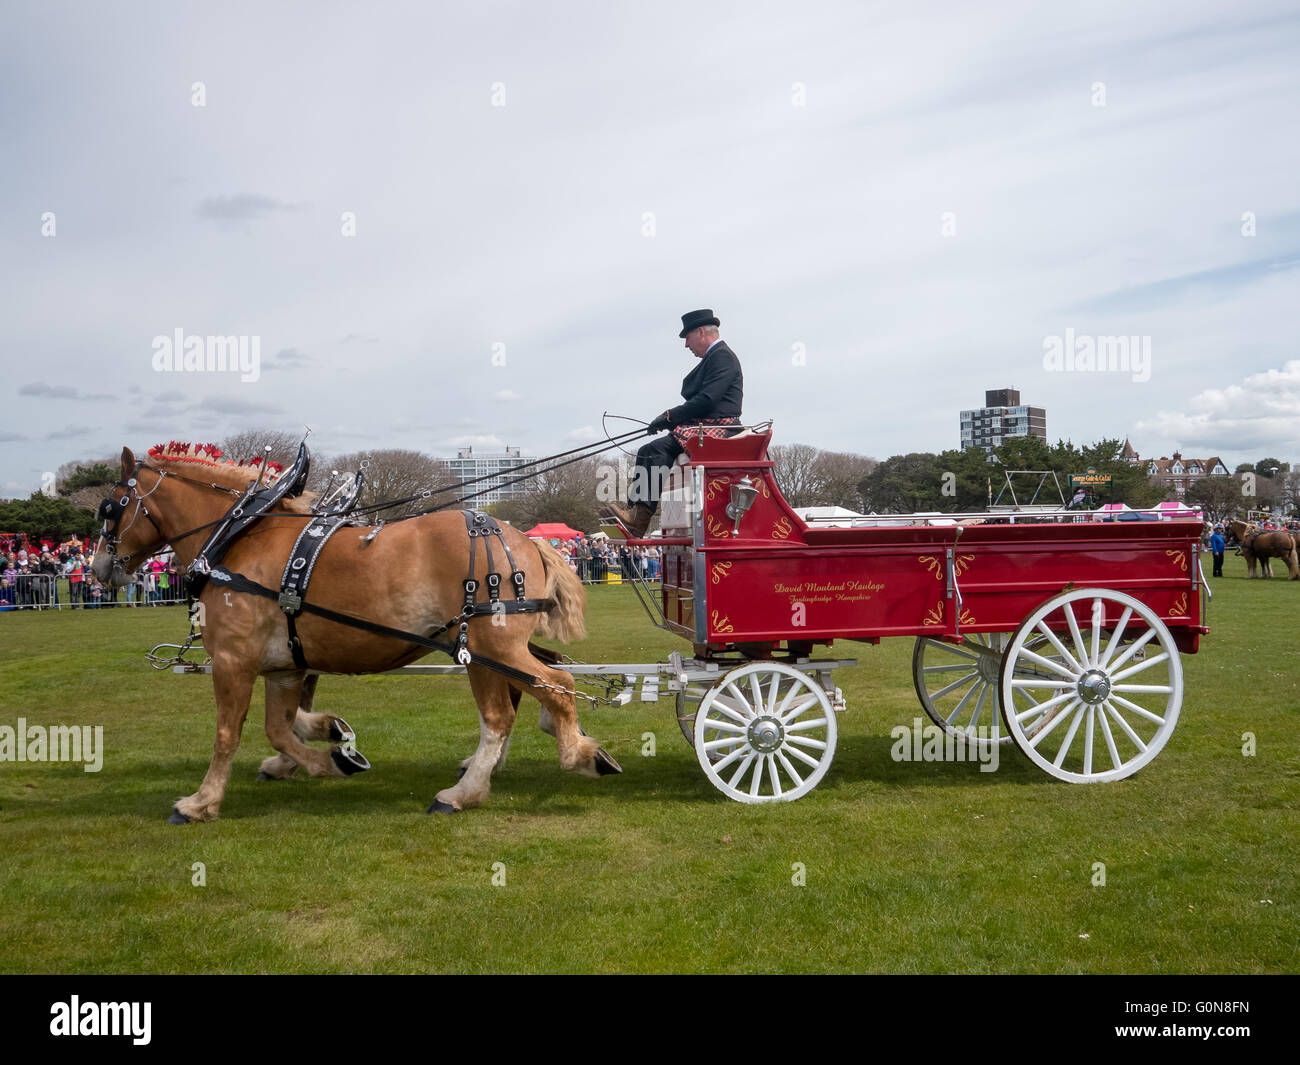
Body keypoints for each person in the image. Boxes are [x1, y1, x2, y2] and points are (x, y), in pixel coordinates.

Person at [604, 308, 743, 538]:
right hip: (705, 424)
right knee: (650, 450)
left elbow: (707, 400)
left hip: (719, 426)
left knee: (654, 450)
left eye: (687, 338)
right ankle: (637, 514)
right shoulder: (716, 356)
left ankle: (639, 518)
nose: (686, 345)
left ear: (700, 332)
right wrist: (670, 419)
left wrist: (670, 417)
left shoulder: (722, 356)